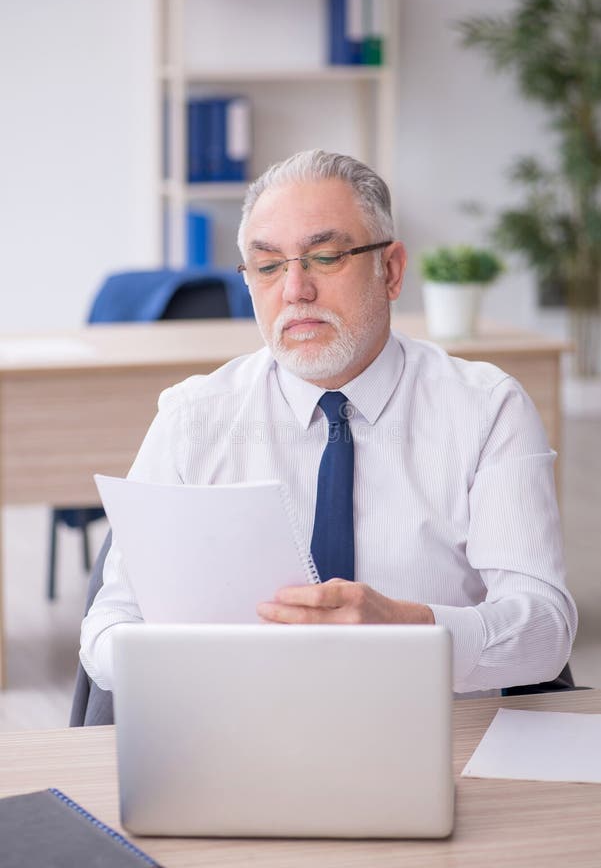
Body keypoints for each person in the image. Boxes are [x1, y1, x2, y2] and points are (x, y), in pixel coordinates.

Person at [80, 149, 577, 695]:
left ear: (390, 270)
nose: (295, 291)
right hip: (240, 733)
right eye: (268, 266)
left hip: (428, 732)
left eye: (325, 257)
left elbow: (545, 630)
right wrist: (191, 661)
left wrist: (413, 632)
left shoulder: (488, 409)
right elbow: (108, 625)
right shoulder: (191, 417)